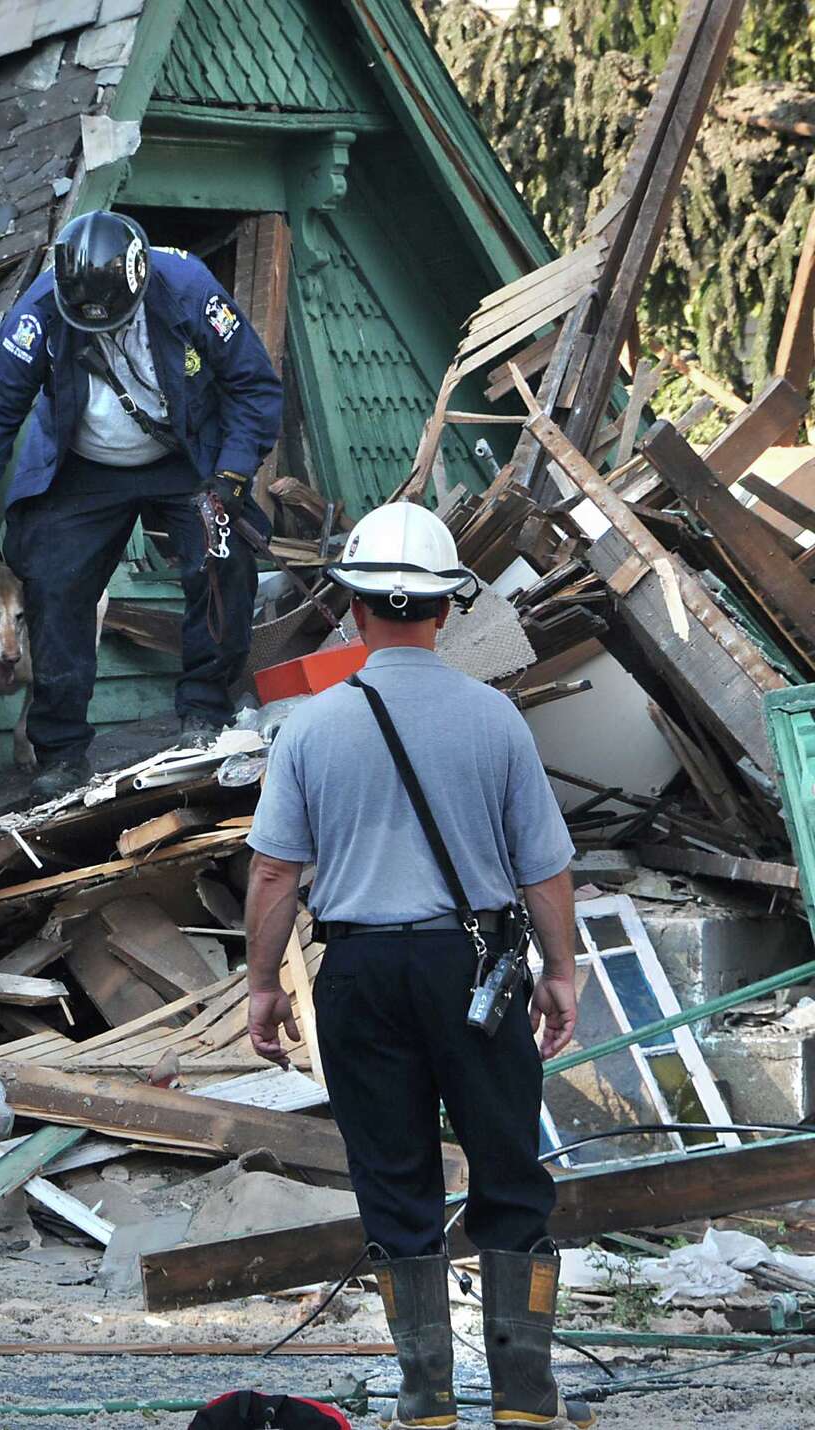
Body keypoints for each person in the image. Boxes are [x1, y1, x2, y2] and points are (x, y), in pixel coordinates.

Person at [244, 503, 593, 1430]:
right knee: (510, 1171)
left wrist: (262, 985)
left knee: (395, 1178)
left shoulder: (311, 730)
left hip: (359, 975)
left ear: (354, 606)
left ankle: (425, 1400)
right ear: (444, 610)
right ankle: (524, 1400)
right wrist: (560, 974)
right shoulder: (496, 721)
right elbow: (544, 869)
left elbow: (277, 871)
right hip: (473, 969)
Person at [0, 209, 283, 800]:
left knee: (222, 562)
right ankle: (59, 750)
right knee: (54, 586)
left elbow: (253, 384)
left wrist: (234, 474)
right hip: (82, 464)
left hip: (185, 456)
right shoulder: (42, 307)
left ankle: (204, 712)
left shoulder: (188, 289)